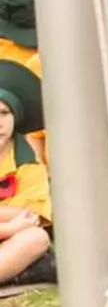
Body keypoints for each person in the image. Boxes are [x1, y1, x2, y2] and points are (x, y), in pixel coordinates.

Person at [0, 61, 53, 288]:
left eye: (4, 113)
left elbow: (31, 216)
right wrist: (9, 225)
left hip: (9, 242)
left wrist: (13, 228)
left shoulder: (27, 162)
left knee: (36, 238)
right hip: (8, 231)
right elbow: (17, 217)